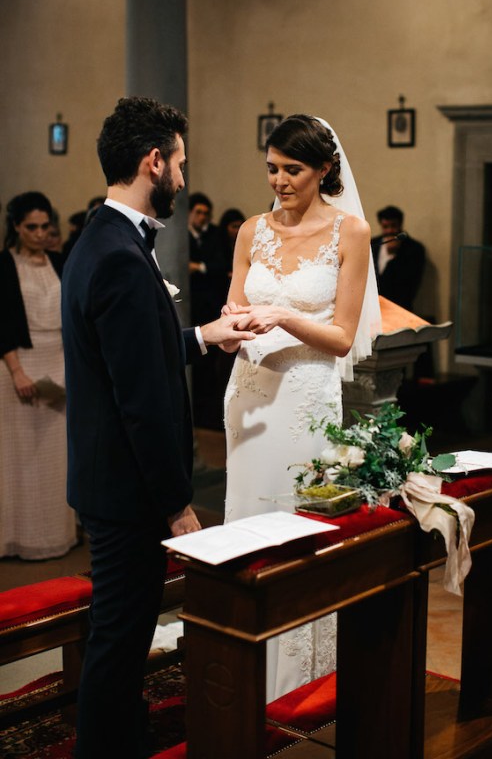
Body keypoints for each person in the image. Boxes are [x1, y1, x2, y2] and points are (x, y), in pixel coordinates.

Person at [61, 96, 255, 759]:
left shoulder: (101, 236)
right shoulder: (118, 254)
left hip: (108, 481)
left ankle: (125, 736)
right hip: (126, 489)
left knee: (124, 628)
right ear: (153, 161)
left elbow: (136, 351)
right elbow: (140, 399)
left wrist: (203, 336)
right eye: (178, 161)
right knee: (118, 637)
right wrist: (177, 507)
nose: (181, 174)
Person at [223, 114, 381, 702]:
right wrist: (234, 324)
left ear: (324, 170)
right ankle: (245, 656)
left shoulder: (352, 232)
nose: (280, 181)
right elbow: (237, 306)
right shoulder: (250, 230)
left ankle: (300, 675)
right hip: (251, 391)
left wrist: (286, 317)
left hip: (308, 398)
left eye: (293, 170)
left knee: (297, 525)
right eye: (272, 168)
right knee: (247, 518)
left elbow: (343, 336)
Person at [0, 192, 76, 559]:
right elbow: (1, 323)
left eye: (46, 226)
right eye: (31, 227)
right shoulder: (4, 264)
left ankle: (53, 535)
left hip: (59, 362)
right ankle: (16, 537)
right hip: (17, 364)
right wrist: (16, 372)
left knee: (55, 455)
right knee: (17, 456)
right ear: (16, 227)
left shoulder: (59, 261)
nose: (40, 233)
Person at [188, 192, 228, 428]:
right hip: (192, 307)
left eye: (205, 213)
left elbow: (221, 266)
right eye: (198, 213)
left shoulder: (215, 235)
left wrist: (200, 267)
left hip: (212, 306)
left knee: (213, 367)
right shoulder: (180, 237)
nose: (202, 217)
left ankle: (211, 417)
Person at [371, 204, 425, 311]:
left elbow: (409, 286)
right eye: (386, 227)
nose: (390, 231)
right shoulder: (373, 244)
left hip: (399, 308)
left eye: (393, 226)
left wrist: (393, 256)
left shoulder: (414, 249)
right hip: (374, 307)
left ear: (400, 225)